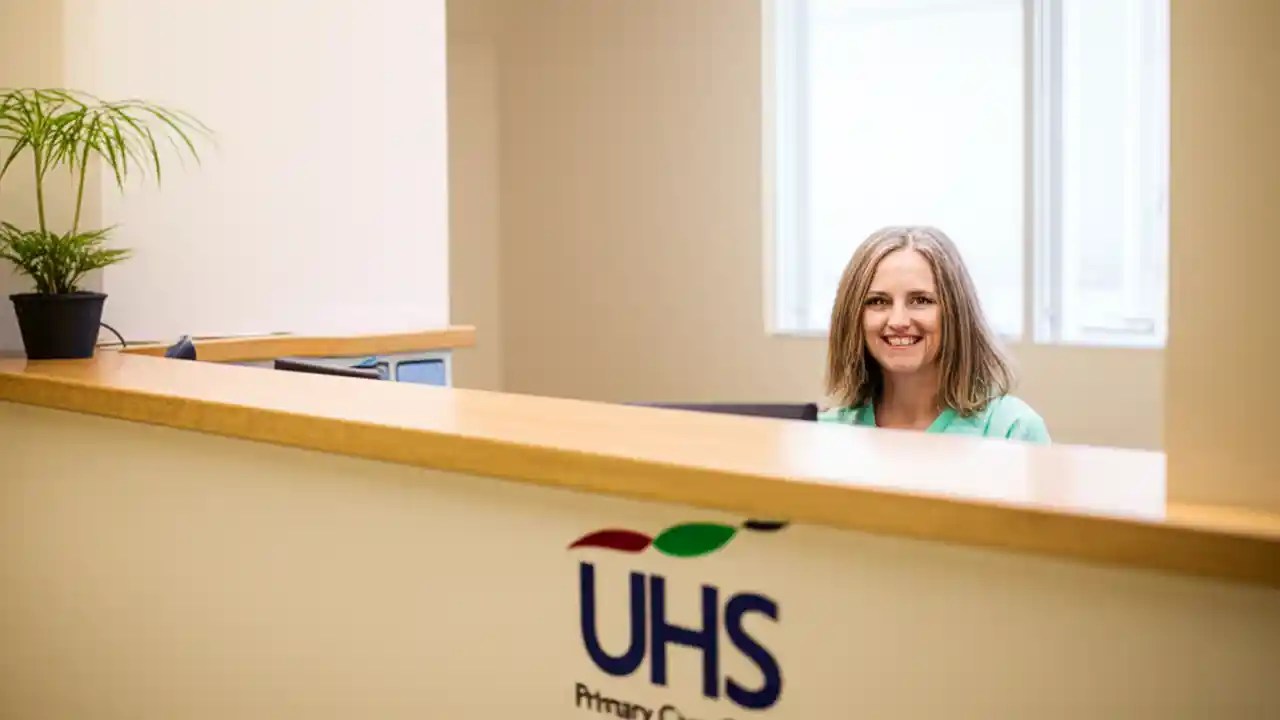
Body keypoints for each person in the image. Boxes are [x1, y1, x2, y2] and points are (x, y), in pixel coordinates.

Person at [819, 225, 1050, 443]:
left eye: (921, 300)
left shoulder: (1012, 430)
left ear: (956, 313)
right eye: (878, 301)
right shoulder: (825, 432)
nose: (898, 321)